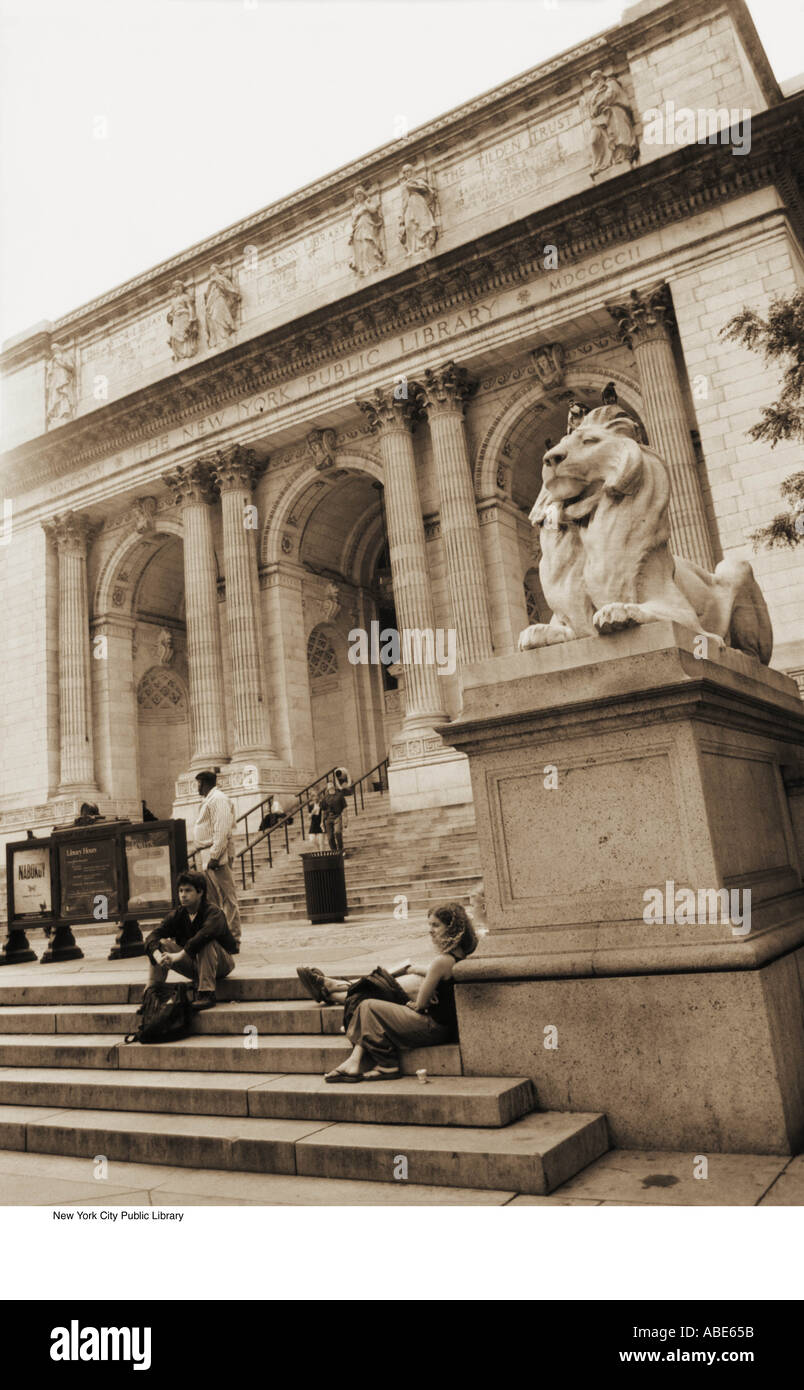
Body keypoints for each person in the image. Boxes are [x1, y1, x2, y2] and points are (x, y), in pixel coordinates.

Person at [296, 901, 478, 1081]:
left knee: (367, 1005)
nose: (430, 930)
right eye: (429, 925)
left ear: (451, 928)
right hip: (443, 1027)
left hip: (432, 1027)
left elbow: (421, 1004)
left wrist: (413, 1002)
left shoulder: (442, 961)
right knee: (374, 1001)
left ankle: (387, 1064)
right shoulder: (459, 956)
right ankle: (335, 993)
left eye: (436, 925)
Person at [144, 870, 236, 1010]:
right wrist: (158, 955)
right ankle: (152, 994)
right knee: (160, 944)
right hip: (194, 964)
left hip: (221, 965)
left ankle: (206, 994)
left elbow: (206, 934)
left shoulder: (214, 912)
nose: (183, 895)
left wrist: (179, 955)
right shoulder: (178, 915)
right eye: (180, 891)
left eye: (188, 891)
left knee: (205, 941)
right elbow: (153, 936)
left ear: (200, 892)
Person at [192, 770, 241, 952]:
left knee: (227, 897)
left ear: (204, 783)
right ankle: (220, 936)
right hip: (207, 855)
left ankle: (233, 939)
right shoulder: (210, 800)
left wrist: (215, 855)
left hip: (215, 856)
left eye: (198, 783)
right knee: (212, 900)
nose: (197, 787)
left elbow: (222, 829)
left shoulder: (218, 799)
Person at [320, 779, 347, 853]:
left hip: (337, 816)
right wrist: (321, 822)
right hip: (328, 818)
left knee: (338, 832)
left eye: (331, 784)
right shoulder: (325, 798)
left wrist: (345, 819)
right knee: (330, 837)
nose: (330, 786)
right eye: (329, 785)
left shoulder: (339, 795)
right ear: (327, 787)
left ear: (334, 786)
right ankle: (334, 851)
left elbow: (344, 808)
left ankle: (340, 849)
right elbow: (322, 810)